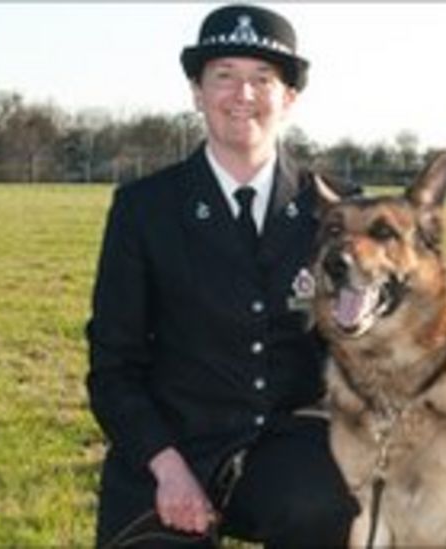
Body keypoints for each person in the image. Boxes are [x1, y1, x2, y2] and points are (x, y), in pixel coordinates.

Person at [85, 4, 360, 548]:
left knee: (330, 511)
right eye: (224, 76)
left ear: (290, 98)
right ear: (197, 92)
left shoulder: (337, 210)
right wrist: (164, 467)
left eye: (264, 79)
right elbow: (113, 366)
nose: (244, 94)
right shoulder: (144, 208)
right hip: (169, 442)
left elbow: (391, 323)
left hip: (291, 444)